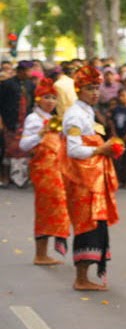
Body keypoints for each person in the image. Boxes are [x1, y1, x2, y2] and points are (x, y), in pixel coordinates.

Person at [62, 66, 122, 291]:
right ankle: (81, 278)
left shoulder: (87, 111)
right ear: (79, 90)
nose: (95, 92)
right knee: (87, 225)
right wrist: (101, 149)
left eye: (97, 88)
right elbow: (74, 150)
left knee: (97, 225)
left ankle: (86, 275)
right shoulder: (75, 116)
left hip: (95, 179)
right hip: (83, 181)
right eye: (90, 88)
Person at [18, 78, 70, 265]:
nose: (50, 101)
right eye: (46, 98)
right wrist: (42, 133)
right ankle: (40, 254)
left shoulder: (55, 118)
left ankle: (44, 253)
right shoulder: (33, 119)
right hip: (43, 170)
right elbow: (23, 144)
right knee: (45, 210)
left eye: (53, 98)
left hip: (57, 168)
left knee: (54, 208)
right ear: (38, 99)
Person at [0, 60, 35, 187]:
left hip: (26, 122)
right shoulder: (7, 84)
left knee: (25, 150)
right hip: (11, 121)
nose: (30, 73)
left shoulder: (30, 84)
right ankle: (5, 177)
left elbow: (31, 103)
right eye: (27, 71)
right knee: (9, 150)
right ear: (20, 71)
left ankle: (23, 178)